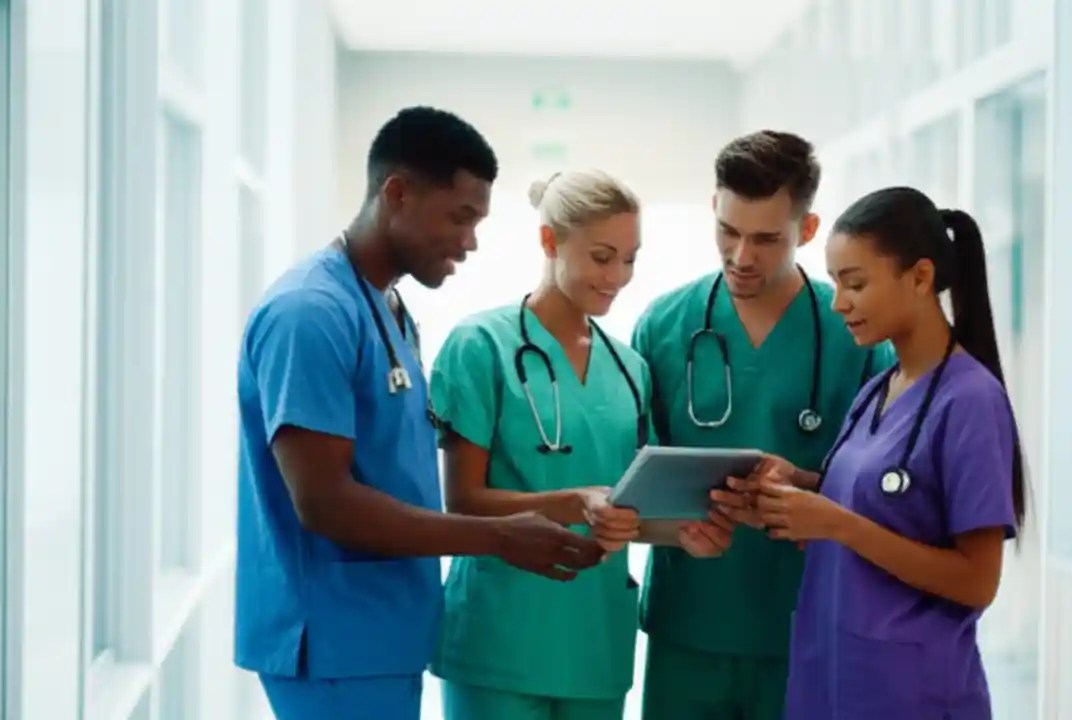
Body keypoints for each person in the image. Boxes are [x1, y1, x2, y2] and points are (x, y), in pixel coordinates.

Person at [234, 107, 606, 720]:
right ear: (398, 193)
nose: (470, 241)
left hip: (381, 636)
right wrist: (497, 538)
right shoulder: (311, 312)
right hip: (333, 644)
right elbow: (323, 501)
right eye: (460, 217)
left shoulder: (388, 309)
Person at [427, 169, 736, 720]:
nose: (618, 276)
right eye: (601, 256)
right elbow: (463, 501)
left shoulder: (630, 368)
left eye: (630, 258)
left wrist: (684, 535)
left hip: (596, 645)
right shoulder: (481, 346)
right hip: (501, 639)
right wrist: (570, 503)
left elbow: (623, 513)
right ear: (550, 241)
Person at [718, 186, 1027, 719]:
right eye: (836, 283)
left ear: (921, 278)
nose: (839, 303)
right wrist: (797, 489)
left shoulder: (970, 401)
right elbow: (881, 503)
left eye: (855, 284)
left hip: (913, 692)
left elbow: (977, 581)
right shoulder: (879, 390)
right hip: (836, 677)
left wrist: (836, 523)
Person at [629, 131, 894, 720]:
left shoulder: (853, 334)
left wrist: (803, 483)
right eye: (728, 231)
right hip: (689, 624)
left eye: (767, 238)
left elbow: (887, 489)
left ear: (807, 229)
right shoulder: (663, 326)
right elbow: (626, 489)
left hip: (807, 624)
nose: (741, 256)